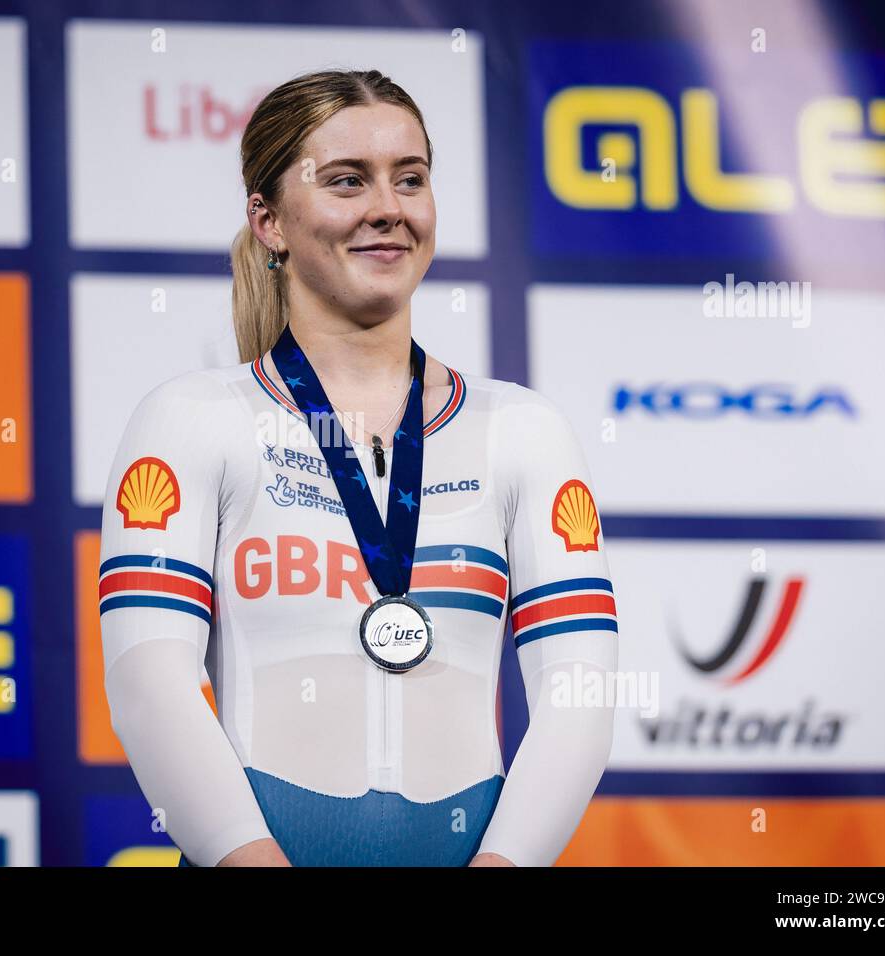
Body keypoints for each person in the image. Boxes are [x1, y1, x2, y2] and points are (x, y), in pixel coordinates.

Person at [98, 69, 617, 867]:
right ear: (268, 221)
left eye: (410, 179)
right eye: (347, 181)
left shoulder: (522, 430)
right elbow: (149, 683)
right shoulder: (195, 420)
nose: (388, 207)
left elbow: (578, 693)